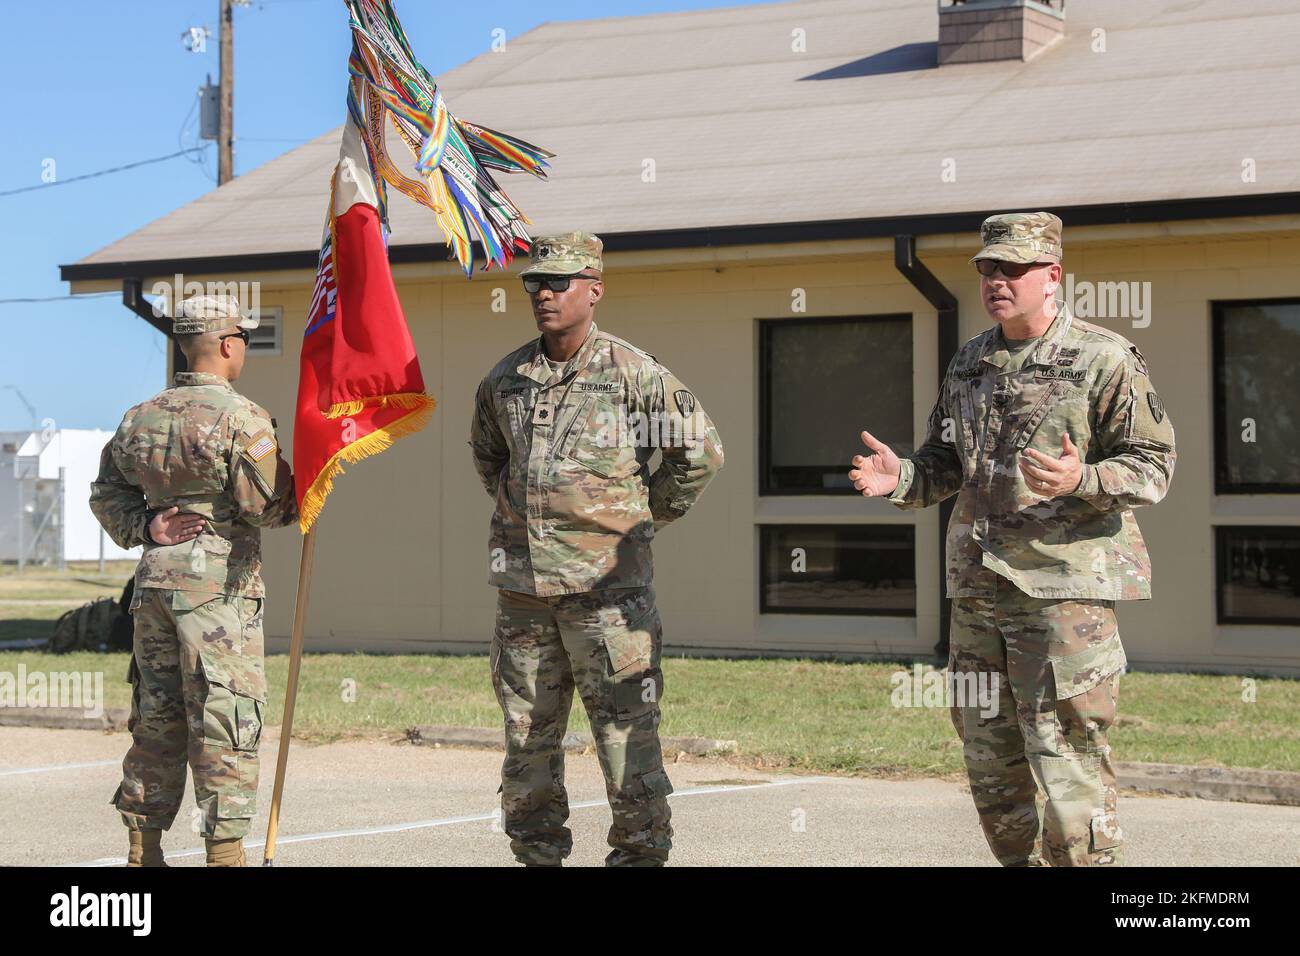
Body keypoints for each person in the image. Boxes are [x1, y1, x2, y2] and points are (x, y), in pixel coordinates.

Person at [849, 212, 1176, 866]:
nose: (997, 280)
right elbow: (947, 460)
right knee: (991, 765)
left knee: (1067, 765)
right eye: (988, 269)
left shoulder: (1101, 357)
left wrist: (1081, 477)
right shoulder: (972, 360)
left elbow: (1153, 464)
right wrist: (904, 476)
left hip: (1062, 599)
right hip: (977, 595)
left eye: (1014, 268)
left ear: (1052, 275)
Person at [469, 232, 724, 866]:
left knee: (624, 739)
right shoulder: (507, 378)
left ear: (595, 289)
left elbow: (701, 454)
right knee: (527, 737)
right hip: (524, 596)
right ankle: (537, 856)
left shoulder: (634, 374)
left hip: (608, 599)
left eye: (558, 282)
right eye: (535, 284)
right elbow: (491, 460)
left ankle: (638, 858)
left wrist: (637, 521)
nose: (544, 294)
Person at [90, 293, 297, 867]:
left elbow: (106, 495)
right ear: (230, 345)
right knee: (223, 720)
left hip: (153, 588)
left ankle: (143, 851)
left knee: (157, 718)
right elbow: (264, 508)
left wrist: (147, 526)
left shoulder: (140, 415)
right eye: (243, 340)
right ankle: (224, 854)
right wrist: (306, 490)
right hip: (216, 594)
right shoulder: (243, 418)